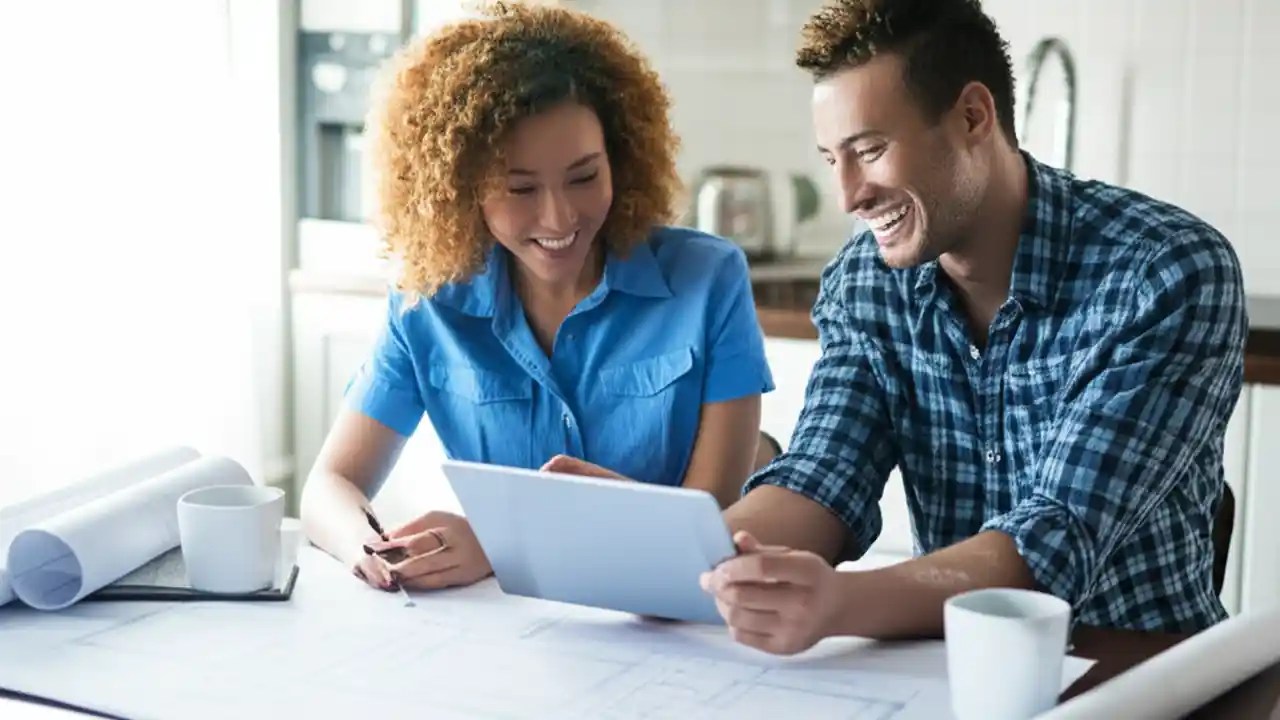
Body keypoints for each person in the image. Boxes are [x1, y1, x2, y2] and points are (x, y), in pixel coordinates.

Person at [689, 0, 1247, 655]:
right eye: (831, 159)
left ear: (973, 117)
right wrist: (688, 554)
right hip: (958, 671)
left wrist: (840, 602)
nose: (848, 196)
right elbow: (820, 478)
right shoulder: (867, 281)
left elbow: (1054, 540)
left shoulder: (1164, 272)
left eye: (869, 150)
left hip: (1140, 671)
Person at [300, 2, 775, 595]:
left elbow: (702, 529)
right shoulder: (428, 304)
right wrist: (373, 550)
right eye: (520, 188)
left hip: (669, 623)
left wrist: (504, 543)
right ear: (460, 188)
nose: (560, 217)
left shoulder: (708, 279)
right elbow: (328, 487)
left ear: (621, 159)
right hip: (507, 638)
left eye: (584, 177)